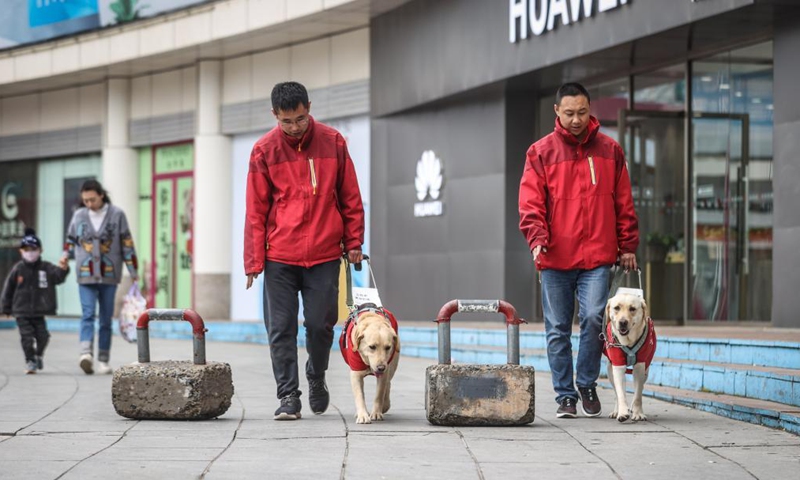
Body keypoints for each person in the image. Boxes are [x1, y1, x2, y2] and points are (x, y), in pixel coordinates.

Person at [244, 81, 365, 421]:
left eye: (300, 118)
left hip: (325, 254)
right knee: (281, 328)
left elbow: (350, 196)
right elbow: (255, 210)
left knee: (320, 324)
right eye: (287, 121)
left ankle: (317, 374)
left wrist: (354, 241)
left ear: (309, 107)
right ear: (275, 115)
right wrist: (254, 261)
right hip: (280, 256)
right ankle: (287, 397)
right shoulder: (263, 151)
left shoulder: (333, 142)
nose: (295, 127)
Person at [518, 82, 639, 418]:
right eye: (569, 113)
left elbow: (624, 202)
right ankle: (565, 396)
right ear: (557, 111)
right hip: (555, 257)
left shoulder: (610, 150)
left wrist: (627, 244)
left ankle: (586, 381)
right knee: (557, 328)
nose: (576, 120)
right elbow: (530, 203)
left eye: (582, 112)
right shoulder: (540, 152)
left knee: (593, 319)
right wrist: (537, 236)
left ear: (590, 109)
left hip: (597, 257)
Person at [60, 180, 138, 375]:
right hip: (85, 274)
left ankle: (103, 359)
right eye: (85, 200)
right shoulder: (79, 216)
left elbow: (127, 243)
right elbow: (70, 239)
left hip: (109, 275)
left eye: (92, 199)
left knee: (105, 319)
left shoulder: (117, 214)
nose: (88, 204)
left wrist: (134, 272)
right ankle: (85, 354)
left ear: (101, 195)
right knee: (87, 314)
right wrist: (64, 257)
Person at [2, 228, 70, 374]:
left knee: (43, 336)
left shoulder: (46, 268)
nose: (30, 252)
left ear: (40, 250)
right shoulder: (18, 269)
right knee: (26, 337)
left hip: (39, 311)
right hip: (21, 311)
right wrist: (5, 308)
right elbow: (9, 289)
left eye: (33, 249)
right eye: (26, 249)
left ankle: (38, 355)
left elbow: (58, 277)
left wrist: (64, 268)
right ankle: (30, 360)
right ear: (21, 251)